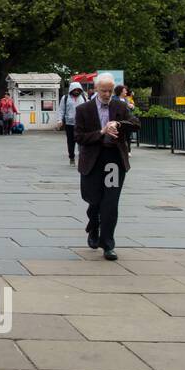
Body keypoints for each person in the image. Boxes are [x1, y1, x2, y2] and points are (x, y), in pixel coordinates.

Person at [74, 73, 140, 261]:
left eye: (110, 91)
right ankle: (93, 225)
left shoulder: (120, 106)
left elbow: (136, 124)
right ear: (95, 89)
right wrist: (101, 132)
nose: (107, 94)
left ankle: (108, 244)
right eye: (103, 90)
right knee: (93, 199)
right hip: (93, 160)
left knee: (110, 203)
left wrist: (119, 124)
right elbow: (78, 137)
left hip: (113, 161)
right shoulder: (83, 110)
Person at [60, 81, 86, 166]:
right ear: (71, 90)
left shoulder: (83, 98)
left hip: (81, 123)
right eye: (75, 90)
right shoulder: (65, 98)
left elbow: (88, 109)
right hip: (69, 124)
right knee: (71, 142)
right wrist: (59, 120)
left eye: (78, 90)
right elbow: (61, 110)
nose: (77, 91)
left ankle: (82, 157)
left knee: (82, 141)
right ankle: (71, 157)